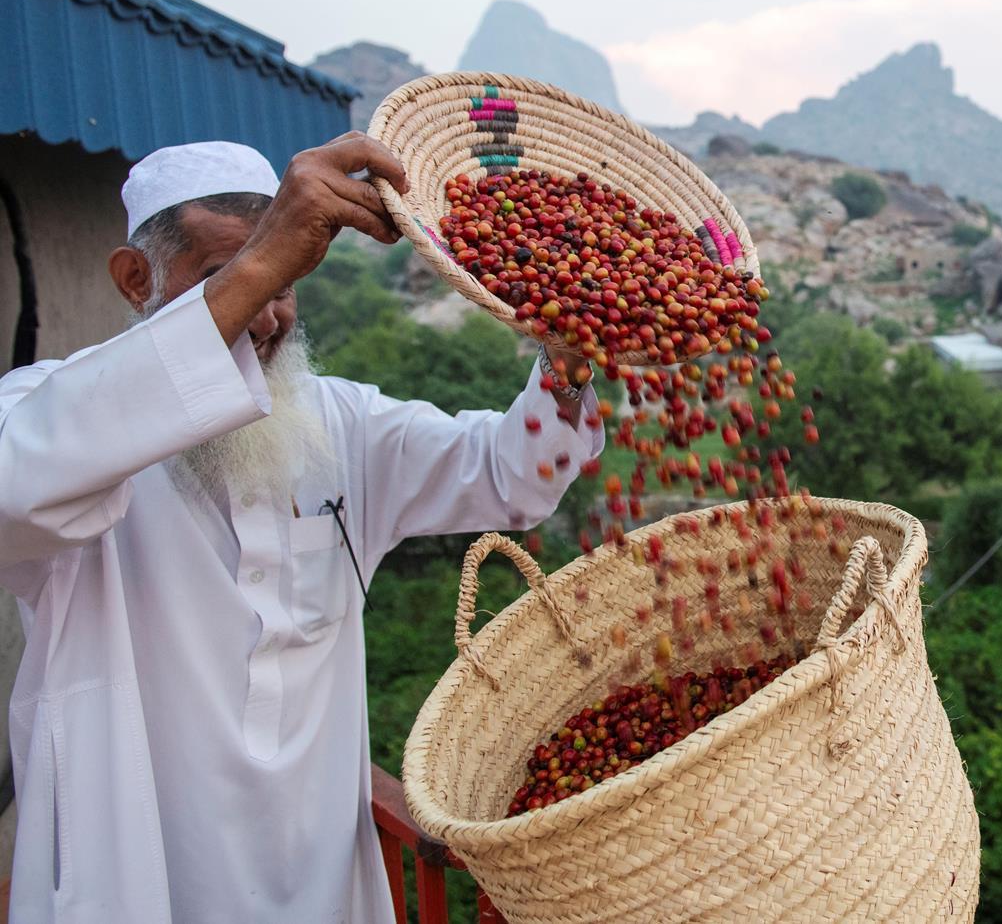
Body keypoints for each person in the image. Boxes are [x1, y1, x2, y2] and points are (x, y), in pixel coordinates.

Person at [0, 135, 603, 922]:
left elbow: (511, 476)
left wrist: (567, 362)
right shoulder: (54, 413)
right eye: (230, 275)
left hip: (320, 875)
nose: (267, 312)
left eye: (289, 281)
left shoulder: (339, 423)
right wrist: (264, 264)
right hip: (139, 879)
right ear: (135, 278)